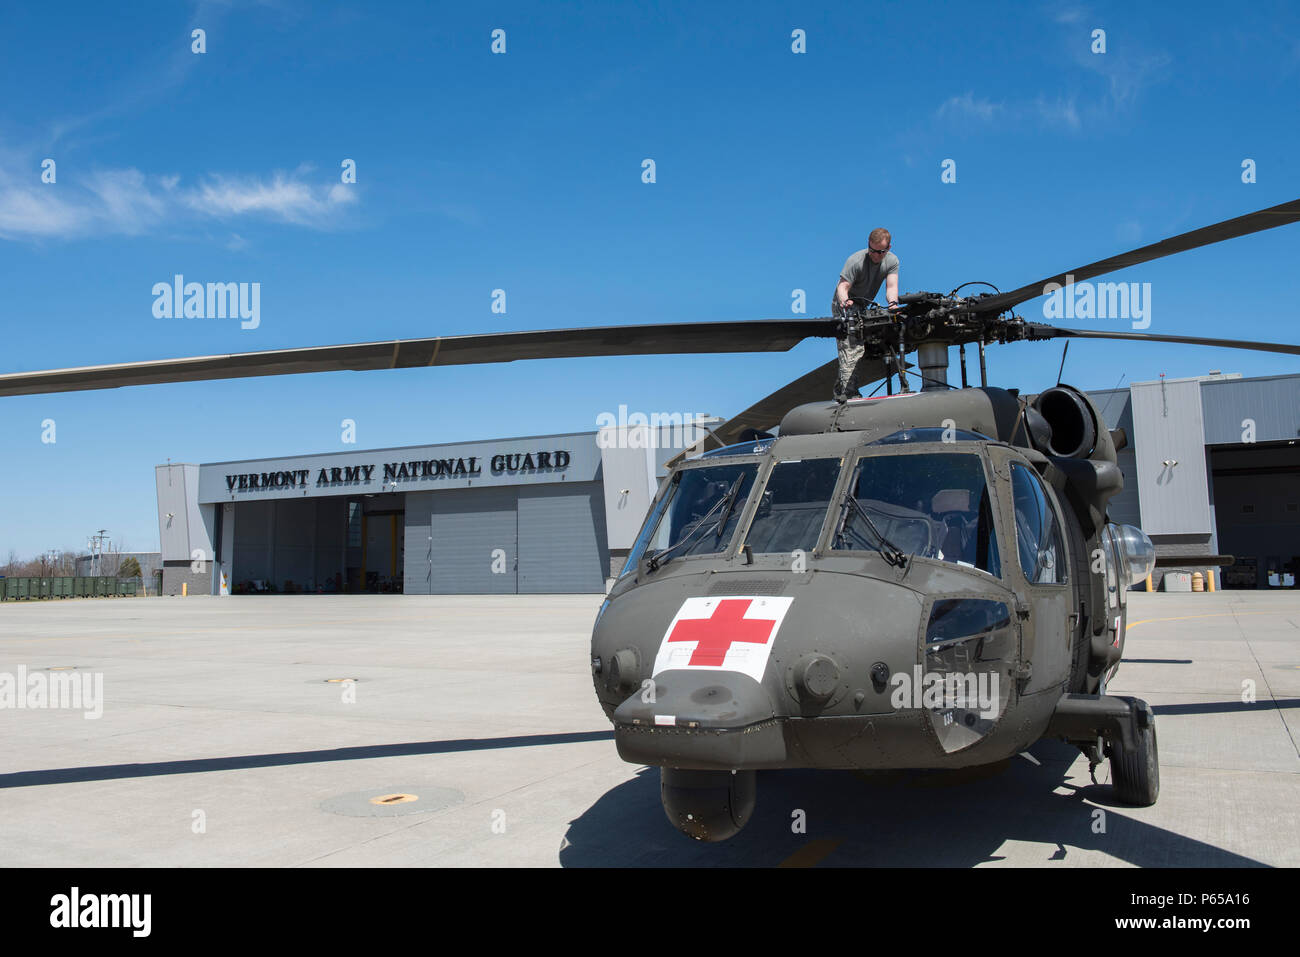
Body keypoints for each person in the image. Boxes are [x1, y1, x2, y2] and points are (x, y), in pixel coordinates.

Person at [831, 228, 900, 399]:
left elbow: (891, 287)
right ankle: (848, 392)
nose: (876, 255)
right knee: (852, 346)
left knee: (871, 344)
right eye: (873, 250)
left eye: (881, 252)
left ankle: (843, 388)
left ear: (889, 248)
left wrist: (893, 304)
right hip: (845, 303)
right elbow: (842, 286)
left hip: (864, 306)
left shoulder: (892, 261)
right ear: (868, 245)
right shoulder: (856, 261)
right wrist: (845, 301)